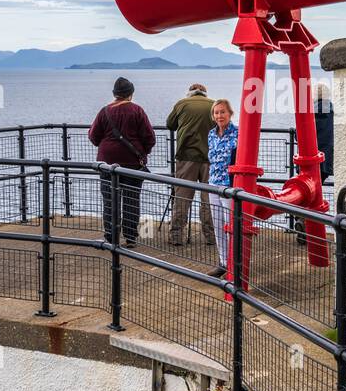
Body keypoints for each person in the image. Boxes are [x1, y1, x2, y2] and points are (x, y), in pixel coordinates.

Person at [88, 76, 156, 247]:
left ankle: (111, 237)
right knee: (132, 199)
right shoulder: (137, 111)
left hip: (108, 162)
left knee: (110, 200)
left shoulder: (104, 112)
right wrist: (142, 153)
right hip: (132, 163)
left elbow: (93, 136)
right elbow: (149, 137)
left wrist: (106, 145)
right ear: (130, 94)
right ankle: (131, 237)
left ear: (115, 94)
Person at [164, 82, 215, 247]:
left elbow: (170, 124)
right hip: (209, 158)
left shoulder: (181, 103)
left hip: (186, 157)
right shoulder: (214, 105)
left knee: (182, 197)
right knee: (208, 199)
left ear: (190, 93)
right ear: (205, 93)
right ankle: (211, 236)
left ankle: (177, 235)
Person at [205, 98, 239, 278]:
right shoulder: (211, 134)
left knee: (230, 225)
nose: (219, 116)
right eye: (216, 113)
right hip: (214, 182)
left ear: (230, 113)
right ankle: (223, 262)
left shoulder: (237, 133)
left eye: (222, 112)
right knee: (218, 224)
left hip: (229, 184)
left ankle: (235, 262)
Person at [313, 81, 335, 183]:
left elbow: (301, 135)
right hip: (326, 156)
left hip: (312, 156)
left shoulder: (312, 111)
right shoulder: (331, 109)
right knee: (318, 185)